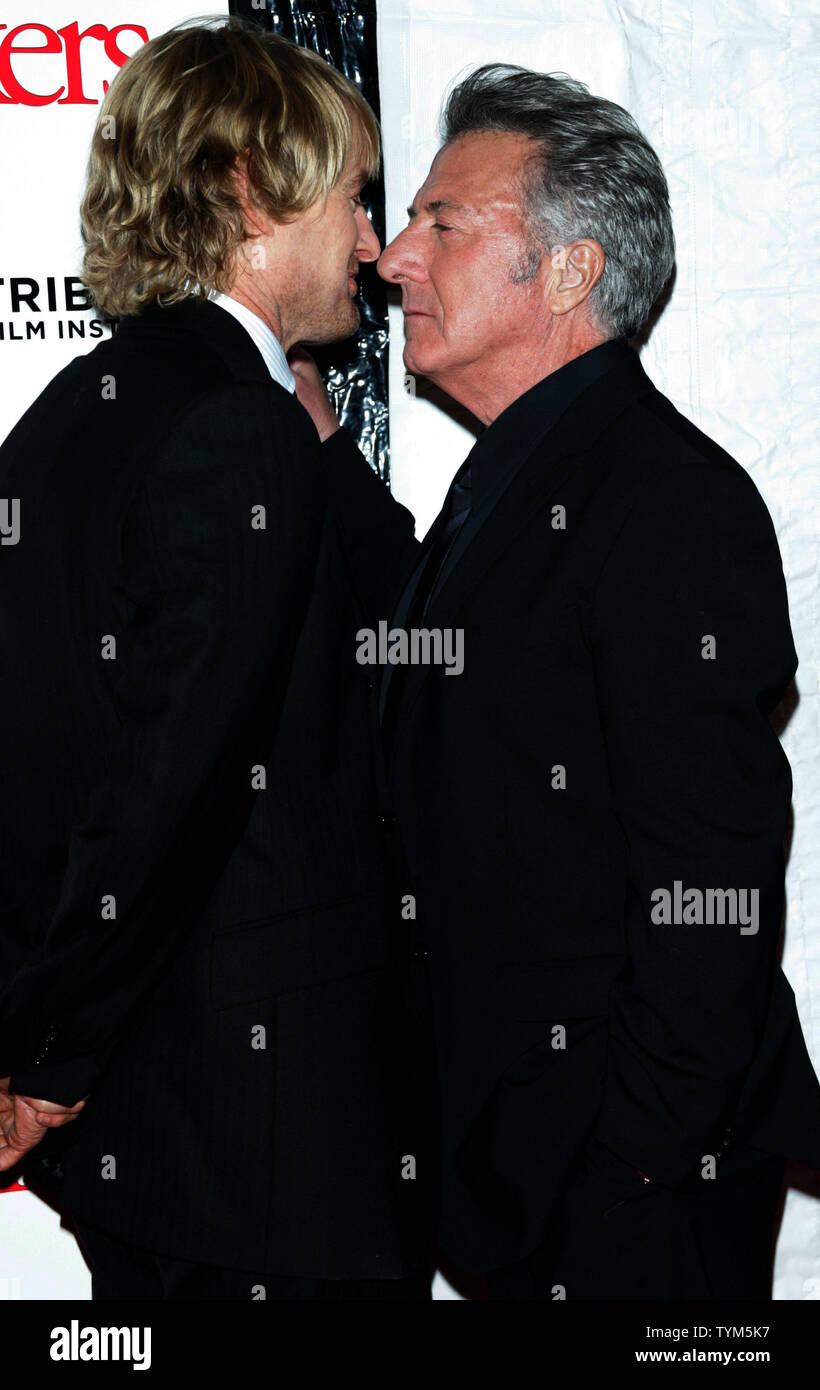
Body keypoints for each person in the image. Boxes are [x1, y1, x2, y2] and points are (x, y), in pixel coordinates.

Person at [297, 63, 820, 1299]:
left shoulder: (665, 504)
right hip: (525, 1185)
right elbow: (445, 654)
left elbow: (711, 889)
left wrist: (632, 1167)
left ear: (573, 271)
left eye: (442, 223)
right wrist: (323, 457)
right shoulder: (520, 481)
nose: (394, 260)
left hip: (631, 1209)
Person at [0, 17, 435, 1300]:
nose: (372, 244)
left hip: (149, 1128)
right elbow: (170, 784)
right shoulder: (233, 431)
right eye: (354, 198)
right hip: (260, 1143)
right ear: (251, 190)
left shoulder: (71, 415)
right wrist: (50, 1060)